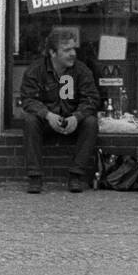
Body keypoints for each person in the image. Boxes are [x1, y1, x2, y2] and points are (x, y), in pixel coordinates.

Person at [18, 29, 100, 193]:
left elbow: (92, 98)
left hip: (72, 121)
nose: (73, 54)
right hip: (47, 121)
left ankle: (76, 175)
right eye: (67, 50)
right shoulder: (36, 70)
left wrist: (77, 116)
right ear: (52, 53)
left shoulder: (81, 70)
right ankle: (35, 177)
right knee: (29, 120)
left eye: (73, 49)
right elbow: (28, 100)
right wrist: (47, 115)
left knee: (91, 122)